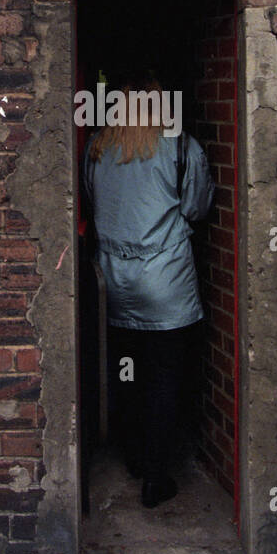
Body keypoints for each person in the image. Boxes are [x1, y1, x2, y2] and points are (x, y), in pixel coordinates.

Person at [82, 77, 215, 507]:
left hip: (113, 286)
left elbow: (90, 203)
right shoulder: (179, 147)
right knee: (164, 380)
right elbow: (198, 206)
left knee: (127, 375)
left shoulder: (96, 149)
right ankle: (156, 477)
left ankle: (135, 457)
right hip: (165, 287)